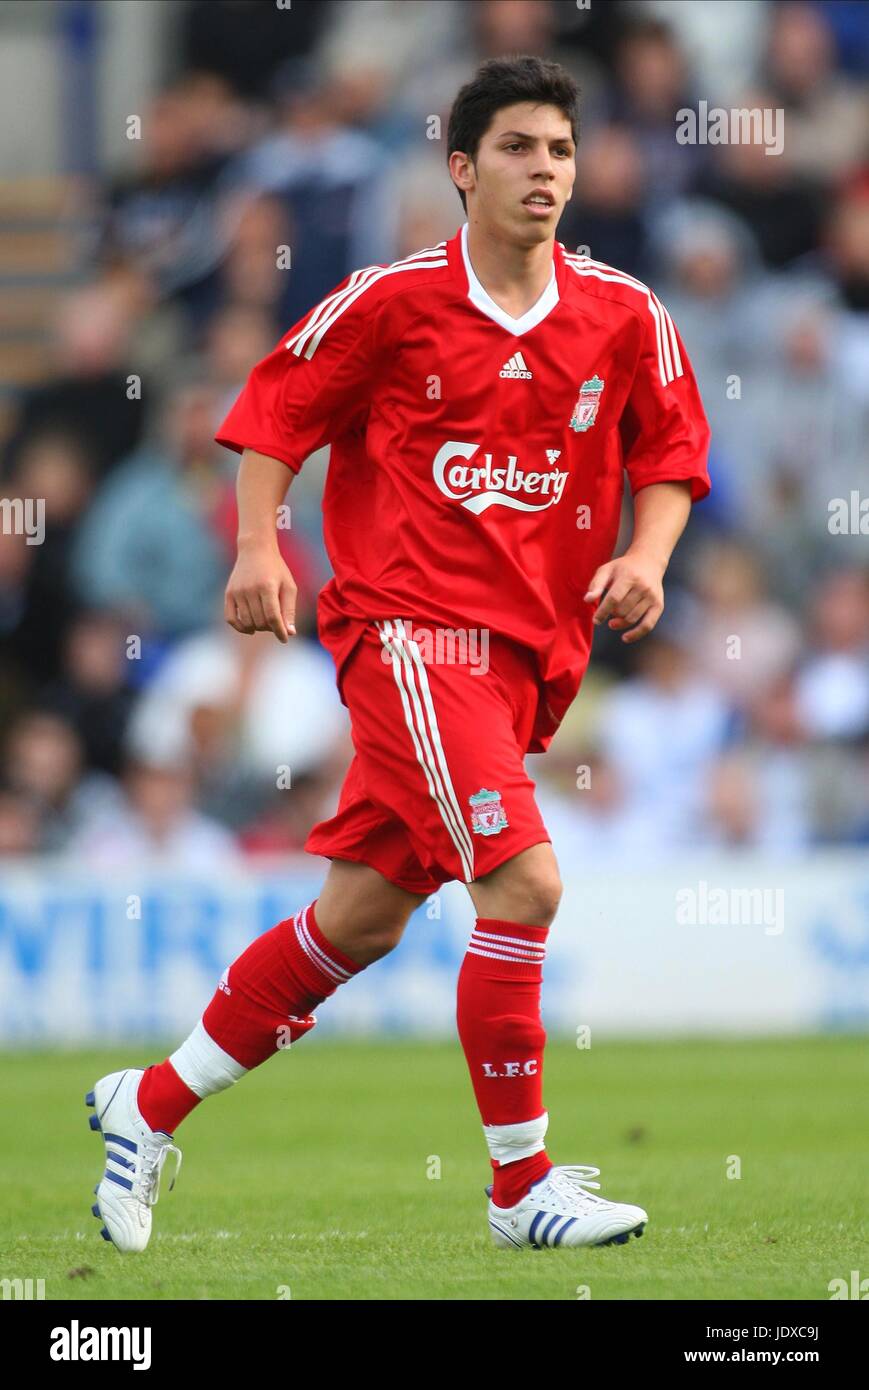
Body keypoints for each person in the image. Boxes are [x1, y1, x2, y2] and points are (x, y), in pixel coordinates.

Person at [85, 55, 710, 1254]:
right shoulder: (387, 300)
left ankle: (146, 1103)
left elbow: (671, 456)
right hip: (410, 637)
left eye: (562, 150)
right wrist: (260, 545)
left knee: (360, 920)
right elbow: (275, 415)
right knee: (522, 885)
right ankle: (516, 1187)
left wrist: (652, 556)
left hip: (527, 657)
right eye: (520, 148)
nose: (546, 170)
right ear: (461, 169)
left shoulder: (625, 313)